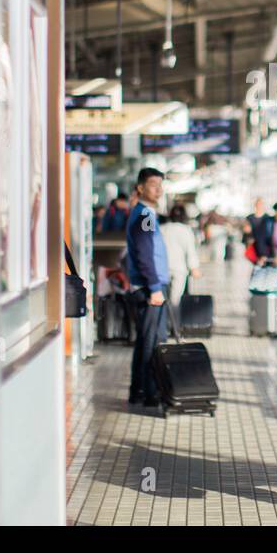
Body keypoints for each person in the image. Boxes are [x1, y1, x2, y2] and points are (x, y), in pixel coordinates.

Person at [125, 168, 170, 410]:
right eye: (153, 184)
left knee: (146, 340)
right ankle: (149, 392)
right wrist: (154, 287)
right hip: (148, 287)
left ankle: (139, 391)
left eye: (160, 184)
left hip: (147, 285)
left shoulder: (146, 214)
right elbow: (144, 254)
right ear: (140, 187)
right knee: (152, 342)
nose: (158, 189)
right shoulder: (144, 215)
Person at [161, 204, 202, 308]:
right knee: (175, 300)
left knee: (162, 299)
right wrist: (194, 268)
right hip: (179, 269)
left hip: (162, 268)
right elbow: (190, 251)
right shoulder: (186, 230)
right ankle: (174, 321)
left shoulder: (162, 229)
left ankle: (164, 319)